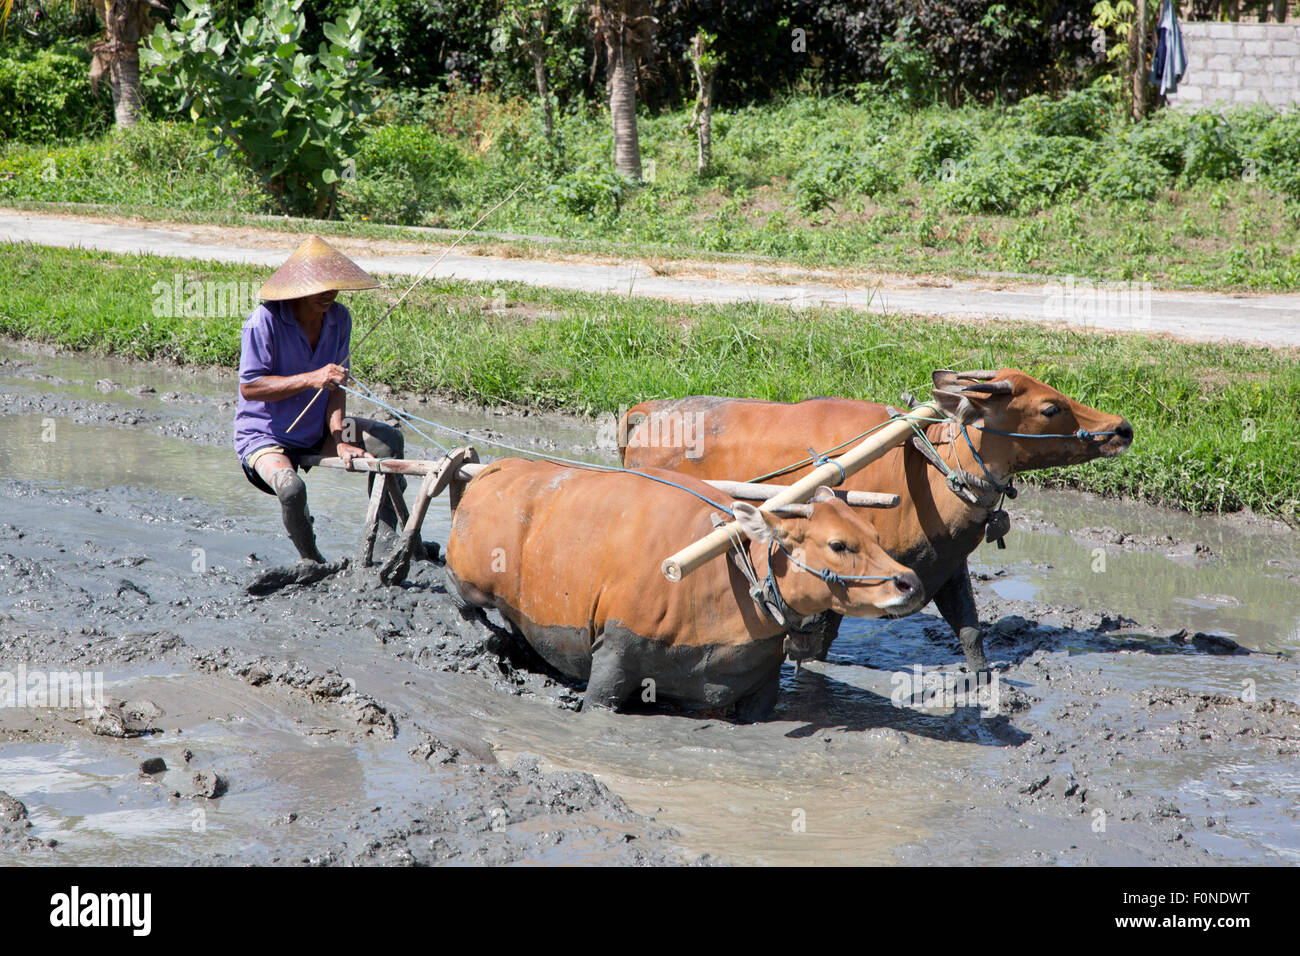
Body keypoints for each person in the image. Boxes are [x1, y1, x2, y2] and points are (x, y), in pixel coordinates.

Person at [234, 235, 405, 563]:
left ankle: (384, 538)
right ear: (298, 288)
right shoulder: (264, 321)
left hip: (317, 431)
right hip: (265, 438)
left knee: (387, 440)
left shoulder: (339, 318)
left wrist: (339, 437)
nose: (328, 294)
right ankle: (312, 560)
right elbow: (250, 387)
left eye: (334, 286)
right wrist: (313, 378)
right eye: (318, 287)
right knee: (291, 489)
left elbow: (337, 385)